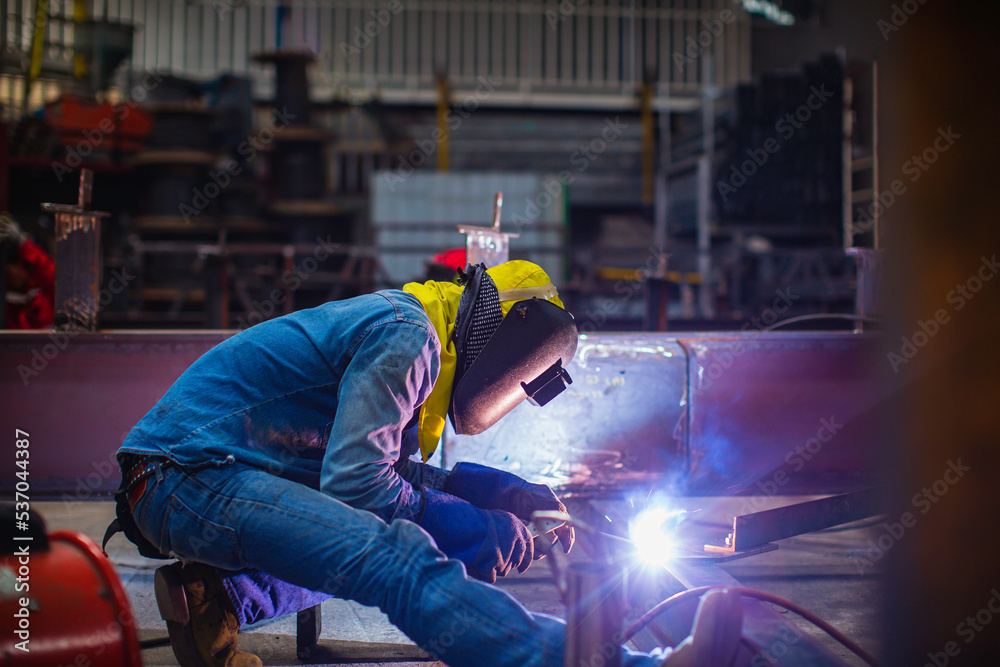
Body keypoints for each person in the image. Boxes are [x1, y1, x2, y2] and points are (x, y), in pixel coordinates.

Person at [105, 260, 742, 667]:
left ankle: (212, 598)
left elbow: (391, 476)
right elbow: (360, 484)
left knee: (379, 538)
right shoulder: (407, 333)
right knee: (394, 555)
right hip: (184, 477)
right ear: (506, 332)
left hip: (200, 479)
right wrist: (474, 528)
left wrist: (502, 493)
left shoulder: (416, 347)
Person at [0, 214, 54, 330]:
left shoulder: (42, 292)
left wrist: (23, 243)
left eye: (9, 273)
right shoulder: (9, 301)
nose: (7, 278)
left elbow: (49, 271)